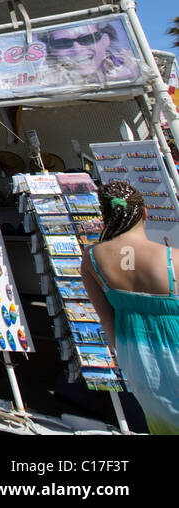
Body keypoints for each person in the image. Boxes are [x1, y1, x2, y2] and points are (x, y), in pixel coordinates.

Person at [81, 180, 179, 434]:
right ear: (145, 212)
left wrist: (131, 359)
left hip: (139, 365)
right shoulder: (173, 259)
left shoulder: (92, 258)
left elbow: (106, 320)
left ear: (106, 216)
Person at [41, 21, 140, 85]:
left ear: (106, 40)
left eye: (87, 39)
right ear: (51, 50)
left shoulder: (134, 68)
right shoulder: (44, 82)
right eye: (62, 43)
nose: (77, 50)